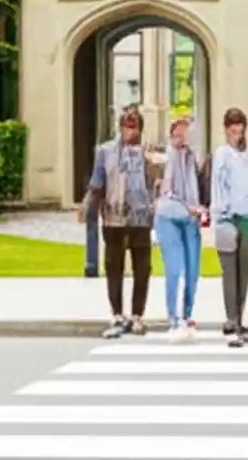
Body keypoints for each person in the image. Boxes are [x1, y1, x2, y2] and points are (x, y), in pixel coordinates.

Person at [84, 105, 164, 339]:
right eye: (127, 125)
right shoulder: (106, 151)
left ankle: (137, 314)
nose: (130, 129)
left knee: (142, 267)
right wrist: (89, 206)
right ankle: (117, 314)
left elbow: (159, 181)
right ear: (120, 127)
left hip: (141, 216)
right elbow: (97, 182)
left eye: (134, 125)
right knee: (114, 266)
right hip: (114, 215)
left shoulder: (148, 152)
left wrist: (153, 164)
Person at [210, 107, 248, 348]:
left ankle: (240, 318)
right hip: (226, 218)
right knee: (229, 273)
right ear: (226, 131)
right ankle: (230, 320)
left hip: (247, 217)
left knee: (244, 273)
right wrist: (220, 214)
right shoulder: (221, 154)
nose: (236, 135)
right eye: (232, 131)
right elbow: (218, 186)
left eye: (239, 131)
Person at [155, 118, 205, 342]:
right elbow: (165, 192)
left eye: (185, 133)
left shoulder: (193, 157)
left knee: (192, 270)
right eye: (178, 133)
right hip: (169, 217)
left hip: (191, 219)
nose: (182, 138)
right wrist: (189, 207)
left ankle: (187, 313)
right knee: (175, 268)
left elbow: (200, 186)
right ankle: (174, 318)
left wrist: (200, 208)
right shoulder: (165, 158)